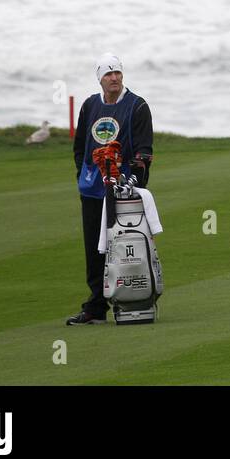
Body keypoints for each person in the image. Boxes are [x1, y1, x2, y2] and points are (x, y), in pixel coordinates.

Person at [66, 54, 154, 325]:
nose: (114, 77)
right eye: (108, 74)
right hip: (93, 189)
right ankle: (96, 305)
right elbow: (80, 146)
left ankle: (132, 300)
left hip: (124, 190)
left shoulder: (137, 106)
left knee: (125, 247)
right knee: (94, 248)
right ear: (100, 79)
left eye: (117, 72)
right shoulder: (90, 105)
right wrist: (84, 174)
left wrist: (134, 182)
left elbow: (144, 151)